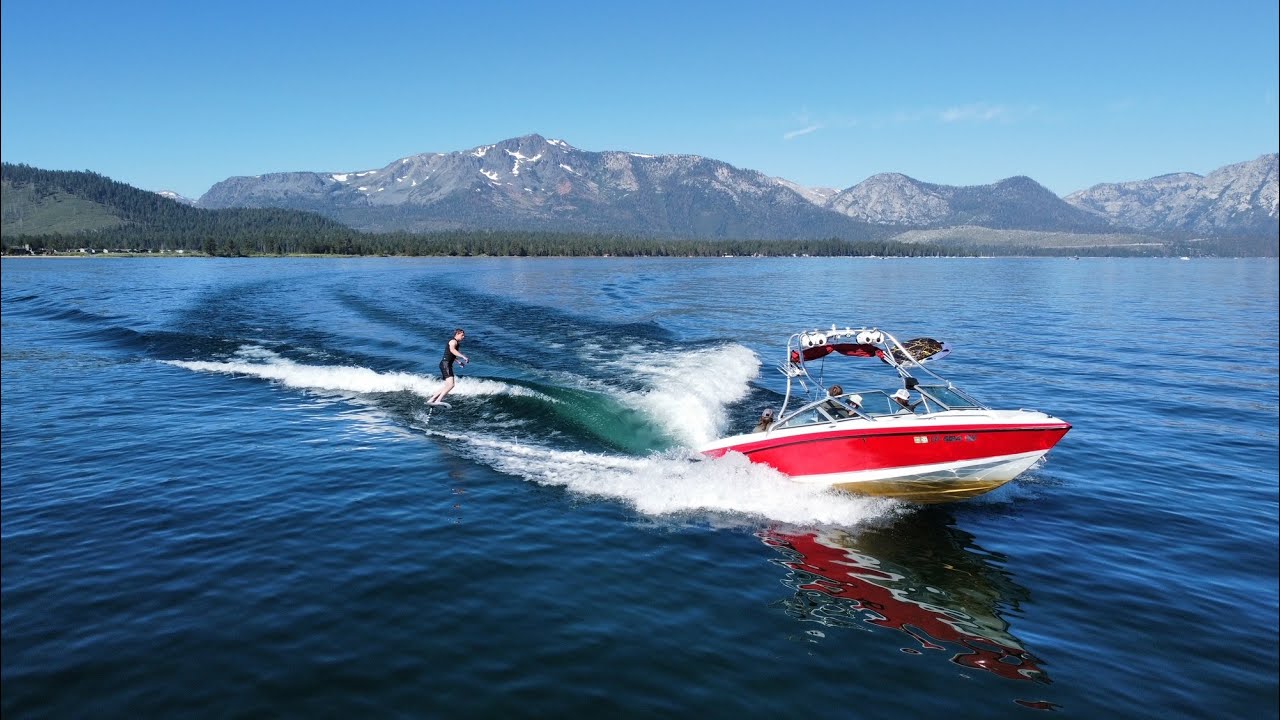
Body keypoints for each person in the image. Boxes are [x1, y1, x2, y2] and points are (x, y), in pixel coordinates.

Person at [429, 328, 469, 404]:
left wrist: (458, 362)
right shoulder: (453, 341)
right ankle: (438, 400)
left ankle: (432, 399)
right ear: (457, 334)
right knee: (451, 385)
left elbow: (451, 355)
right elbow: (452, 350)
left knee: (447, 385)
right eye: (462, 335)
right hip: (446, 364)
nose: (463, 337)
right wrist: (463, 357)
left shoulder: (455, 342)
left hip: (445, 364)